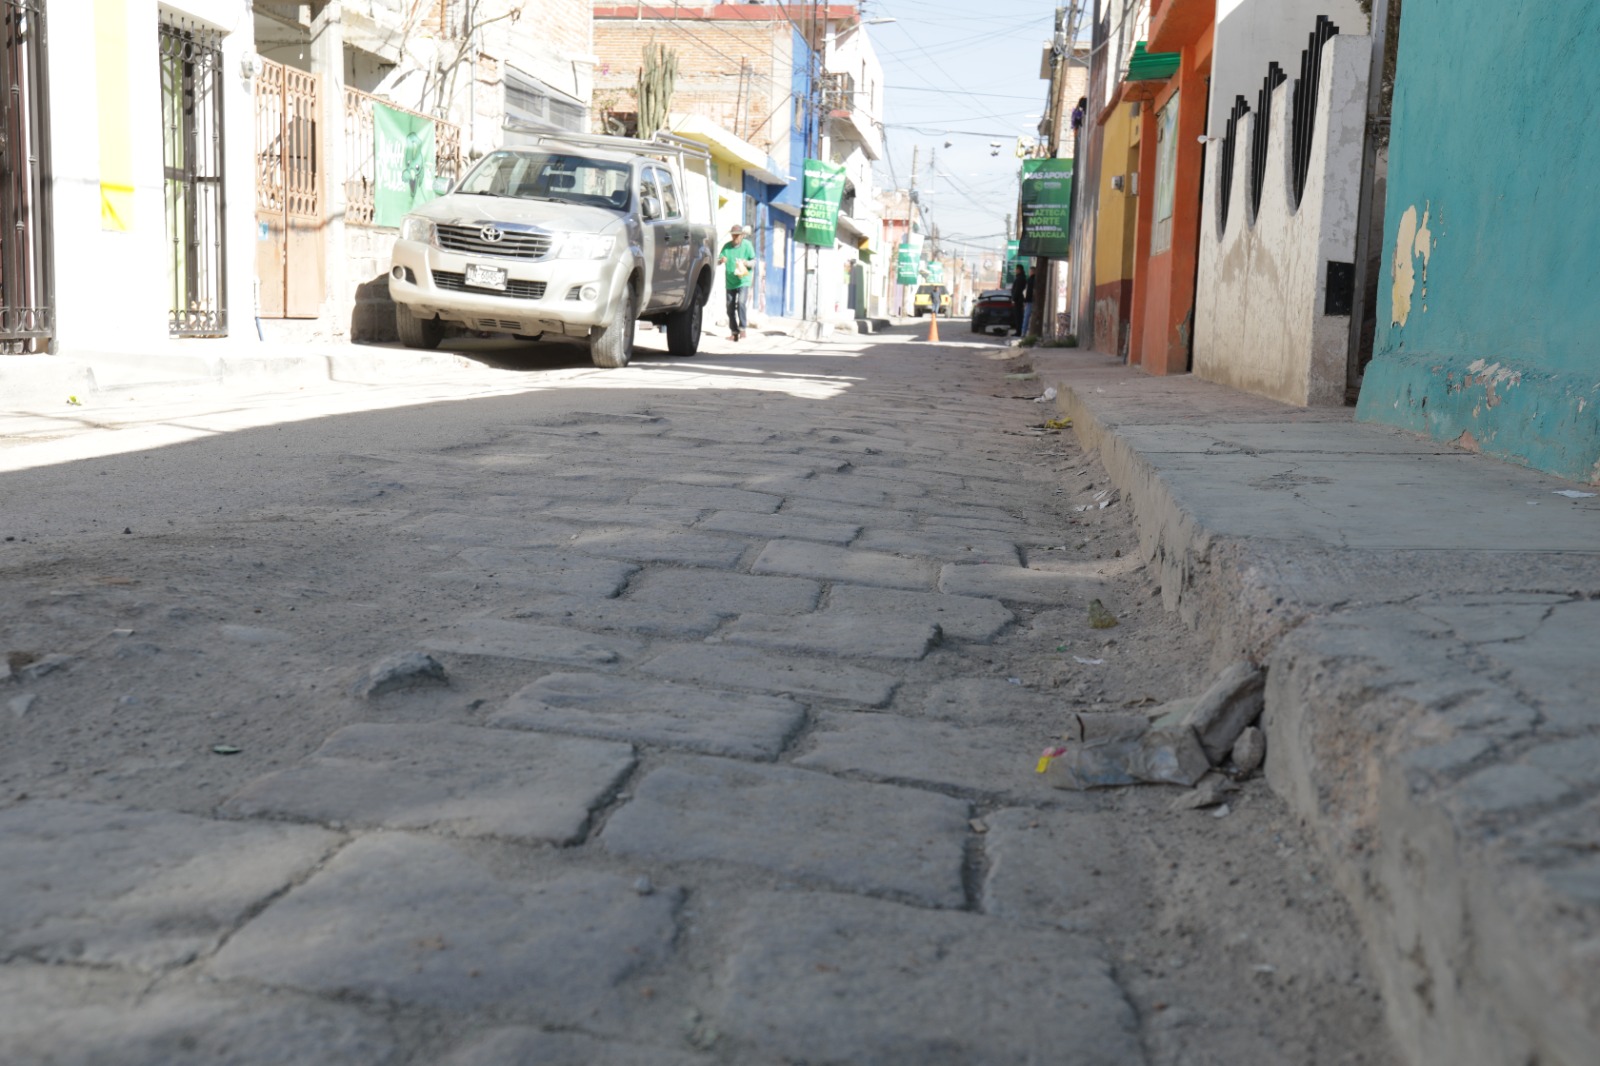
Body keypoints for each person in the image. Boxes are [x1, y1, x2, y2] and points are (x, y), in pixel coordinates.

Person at [717, 224, 756, 341]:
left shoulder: (747, 246)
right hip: (730, 281)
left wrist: (746, 263)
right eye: (733, 236)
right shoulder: (727, 247)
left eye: (737, 236)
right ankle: (734, 332)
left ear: (742, 236)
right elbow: (718, 260)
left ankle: (743, 329)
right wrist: (721, 260)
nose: (735, 238)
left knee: (741, 303)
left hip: (743, 280)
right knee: (729, 307)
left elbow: (754, 261)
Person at [1009, 264, 1027, 336]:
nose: (1015, 271)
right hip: (1019, 300)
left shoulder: (1020, 278)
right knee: (1018, 317)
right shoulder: (1020, 278)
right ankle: (1018, 331)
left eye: (1016, 269)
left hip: (1018, 300)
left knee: (1018, 317)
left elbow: (1017, 290)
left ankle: (1018, 332)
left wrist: (1014, 299)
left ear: (1019, 270)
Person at [1021, 268, 1037, 337]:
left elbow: (1028, 292)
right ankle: (1028, 332)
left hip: (1030, 301)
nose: (1029, 272)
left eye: (1030, 271)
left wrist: (1025, 300)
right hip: (1032, 300)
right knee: (1031, 317)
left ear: (1032, 272)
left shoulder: (1031, 280)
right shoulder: (1033, 279)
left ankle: (1024, 332)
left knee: (1026, 317)